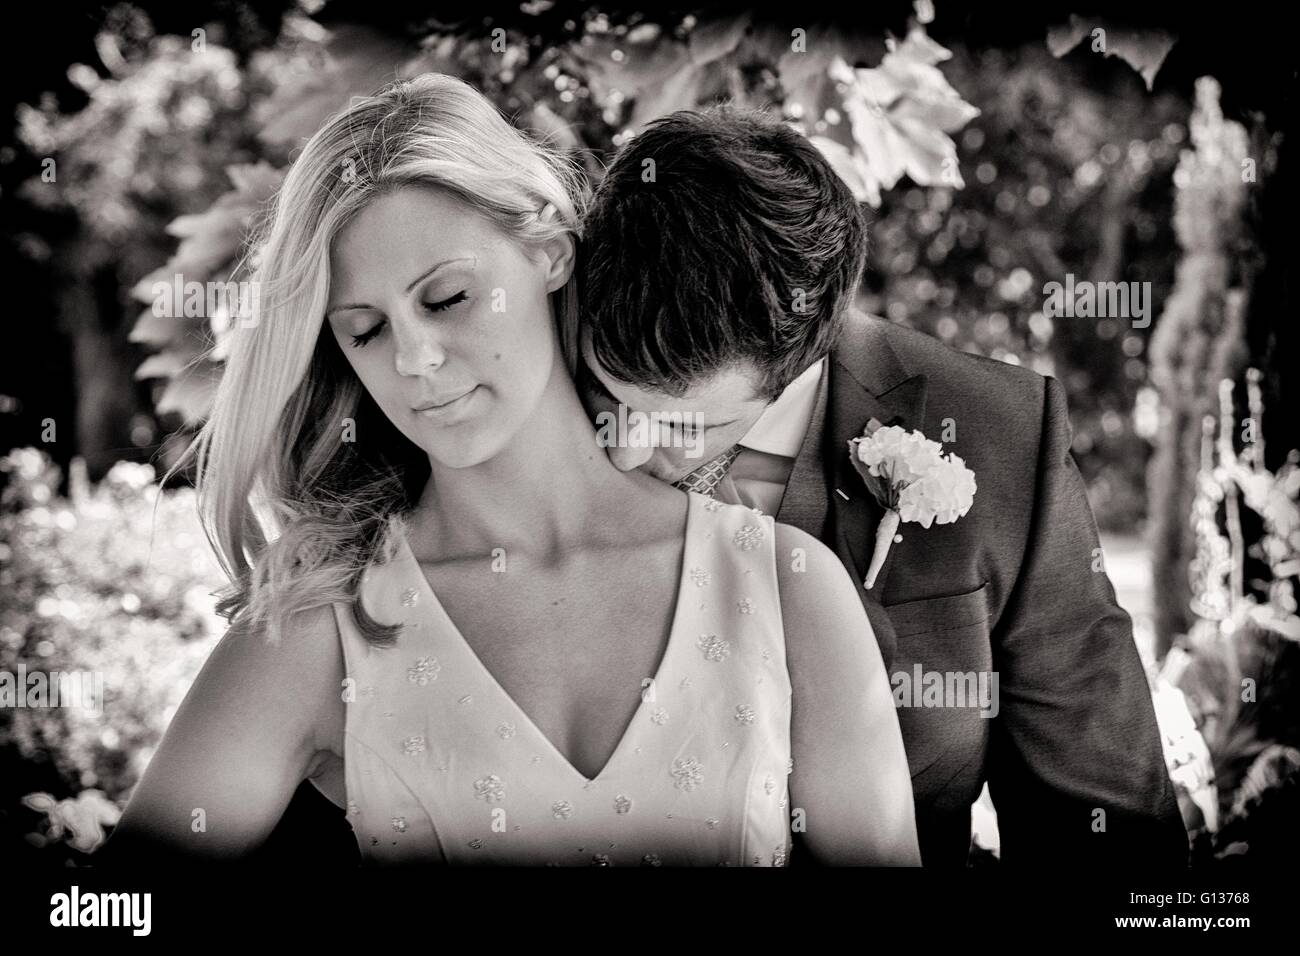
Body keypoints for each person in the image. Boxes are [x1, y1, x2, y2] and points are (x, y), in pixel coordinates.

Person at [107, 74, 919, 866]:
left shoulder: (785, 587)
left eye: (448, 299)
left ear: (552, 252)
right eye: (364, 330)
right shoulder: (325, 626)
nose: (415, 360)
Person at [575, 107, 1189, 866]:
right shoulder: (516, 390)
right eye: (607, 399)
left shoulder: (999, 437)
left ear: (800, 359)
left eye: (682, 429)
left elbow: (1106, 832)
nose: (627, 453)